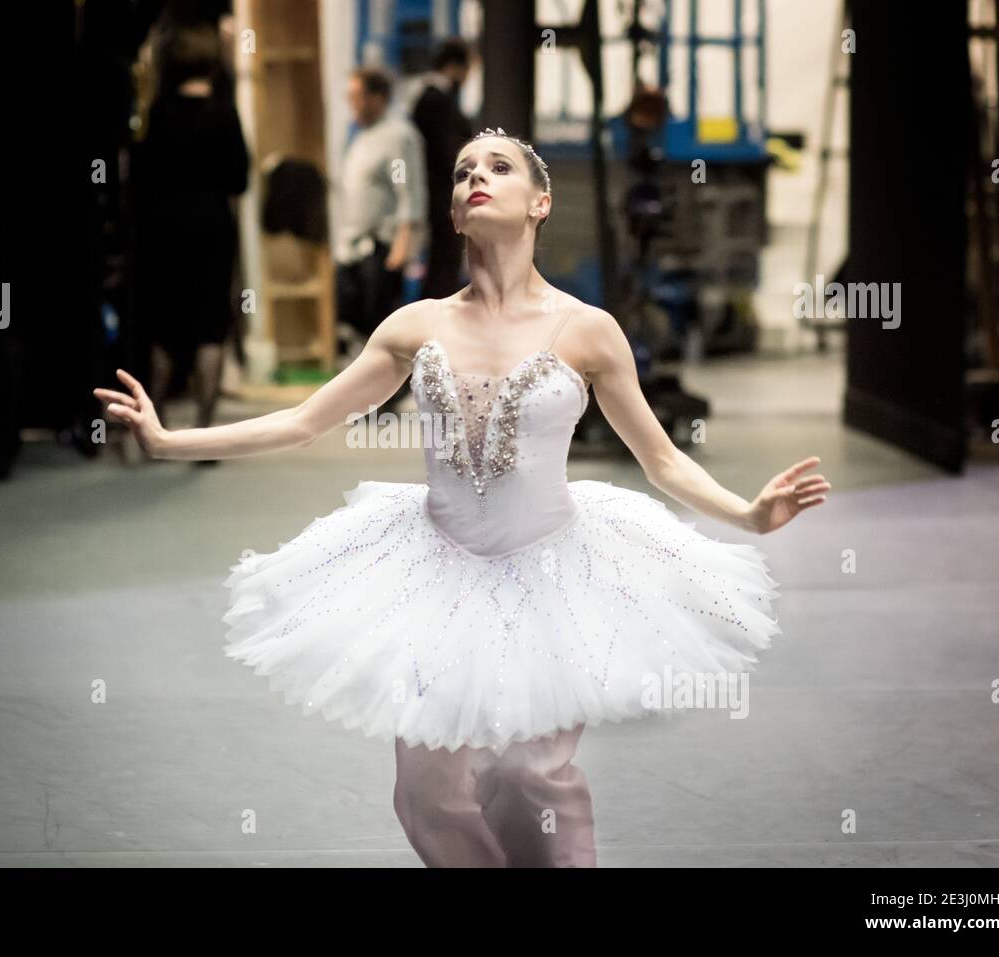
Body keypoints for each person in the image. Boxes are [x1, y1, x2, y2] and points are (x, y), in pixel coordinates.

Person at [96, 128, 831, 867]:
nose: (475, 176)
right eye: (462, 172)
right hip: (433, 576)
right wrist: (168, 441)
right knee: (424, 793)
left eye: (499, 167)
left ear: (540, 202)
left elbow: (663, 458)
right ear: (453, 214)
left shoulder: (588, 331)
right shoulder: (415, 327)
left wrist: (749, 514)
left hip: (553, 578)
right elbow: (302, 419)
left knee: (525, 773)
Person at [131, 15, 248, 460]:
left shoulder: (159, 114)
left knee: (163, 325)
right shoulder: (224, 113)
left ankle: (154, 428)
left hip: (165, 229)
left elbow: (139, 182)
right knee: (210, 328)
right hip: (213, 227)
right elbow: (240, 180)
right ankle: (202, 432)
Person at [334, 67, 427, 356]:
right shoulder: (360, 136)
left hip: (382, 246)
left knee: (380, 323)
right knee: (349, 318)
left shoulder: (398, 135)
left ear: (378, 97)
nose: (352, 103)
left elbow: (409, 191)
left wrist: (404, 242)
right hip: (351, 244)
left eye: (358, 96)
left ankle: (389, 394)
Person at [411, 38, 474, 299]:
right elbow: (446, 150)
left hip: (437, 192)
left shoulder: (429, 97)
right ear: (455, 66)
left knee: (443, 258)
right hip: (441, 194)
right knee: (445, 258)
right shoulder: (437, 100)